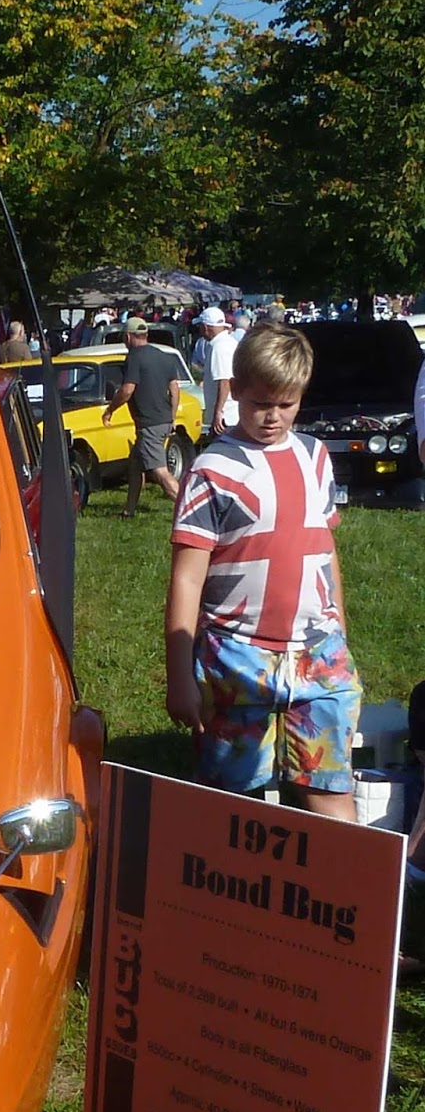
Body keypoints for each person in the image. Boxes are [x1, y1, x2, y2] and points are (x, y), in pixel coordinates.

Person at [165, 321, 360, 823]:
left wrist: (338, 625)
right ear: (237, 392)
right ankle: (235, 890)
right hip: (237, 653)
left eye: (286, 404)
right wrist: (179, 676)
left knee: (329, 786)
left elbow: (323, 546)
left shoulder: (316, 457)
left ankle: (345, 890)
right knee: (232, 797)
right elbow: (187, 577)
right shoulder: (212, 469)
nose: (272, 417)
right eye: (259, 404)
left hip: (317, 652)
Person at [102, 316, 182, 517]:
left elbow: (128, 389)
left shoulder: (134, 358)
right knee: (136, 464)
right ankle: (128, 510)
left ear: (128, 337)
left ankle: (192, 507)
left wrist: (110, 409)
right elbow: (174, 389)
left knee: (159, 472)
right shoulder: (164, 356)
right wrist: (171, 417)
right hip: (163, 420)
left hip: (149, 424)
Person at [193, 305, 238, 438]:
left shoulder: (219, 347)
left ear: (206, 327)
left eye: (200, 326)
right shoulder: (230, 342)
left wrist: (218, 412)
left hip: (225, 418)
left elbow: (225, 382)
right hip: (232, 415)